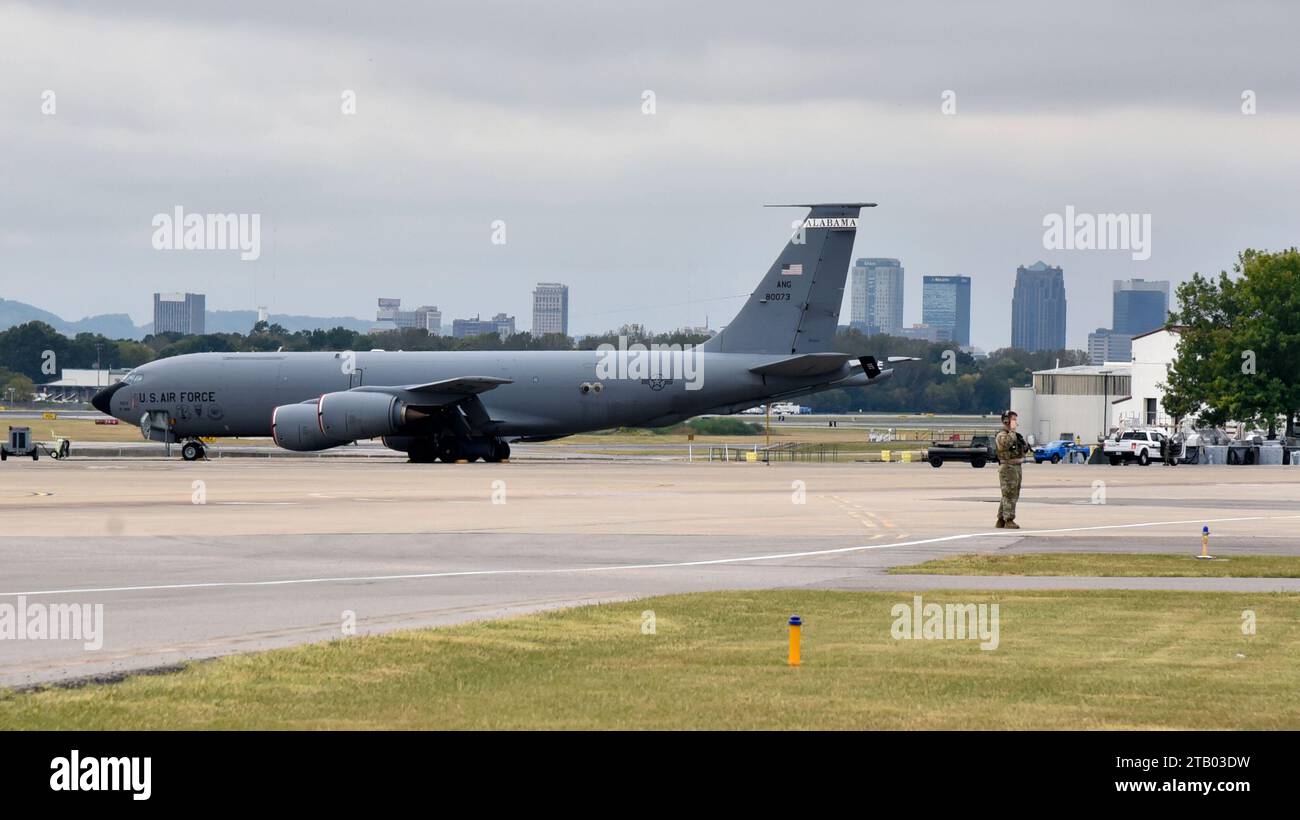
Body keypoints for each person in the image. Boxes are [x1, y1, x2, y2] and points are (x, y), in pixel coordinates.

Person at [994, 410, 1029, 528]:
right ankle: (1009, 520)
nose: (1015, 422)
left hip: (1016, 466)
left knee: (1011, 493)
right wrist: (1012, 431)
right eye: (1013, 419)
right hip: (1008, 467)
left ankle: (1001, 519)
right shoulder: (1002, 435)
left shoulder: (1013, 435)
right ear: (1006, 421)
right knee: (1009, 494)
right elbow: (1007, 444)